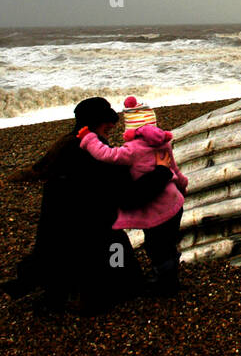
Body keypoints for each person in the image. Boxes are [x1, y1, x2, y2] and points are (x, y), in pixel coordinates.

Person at [3, 96, 174, 315]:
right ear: (99, 123)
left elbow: (38, 170)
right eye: (108, 124)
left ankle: (56, 285)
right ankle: (95, 290)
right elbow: (130, 196)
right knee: (121, 262)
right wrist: (161, 171)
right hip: (94, 236)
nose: (111, 128)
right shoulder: (97, 156)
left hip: (54, 240)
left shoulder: (65, 145)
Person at [77, 97, 187, 297]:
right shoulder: (164, 144)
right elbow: (175, 170)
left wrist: (89, 139)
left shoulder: (131, 150)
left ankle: (164, 281)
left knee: (155, 247)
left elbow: (107, 155)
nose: (112, 127)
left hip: (154, 210)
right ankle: (169, 276)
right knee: (167, 244)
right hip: (173, 203)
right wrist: (181, 184)